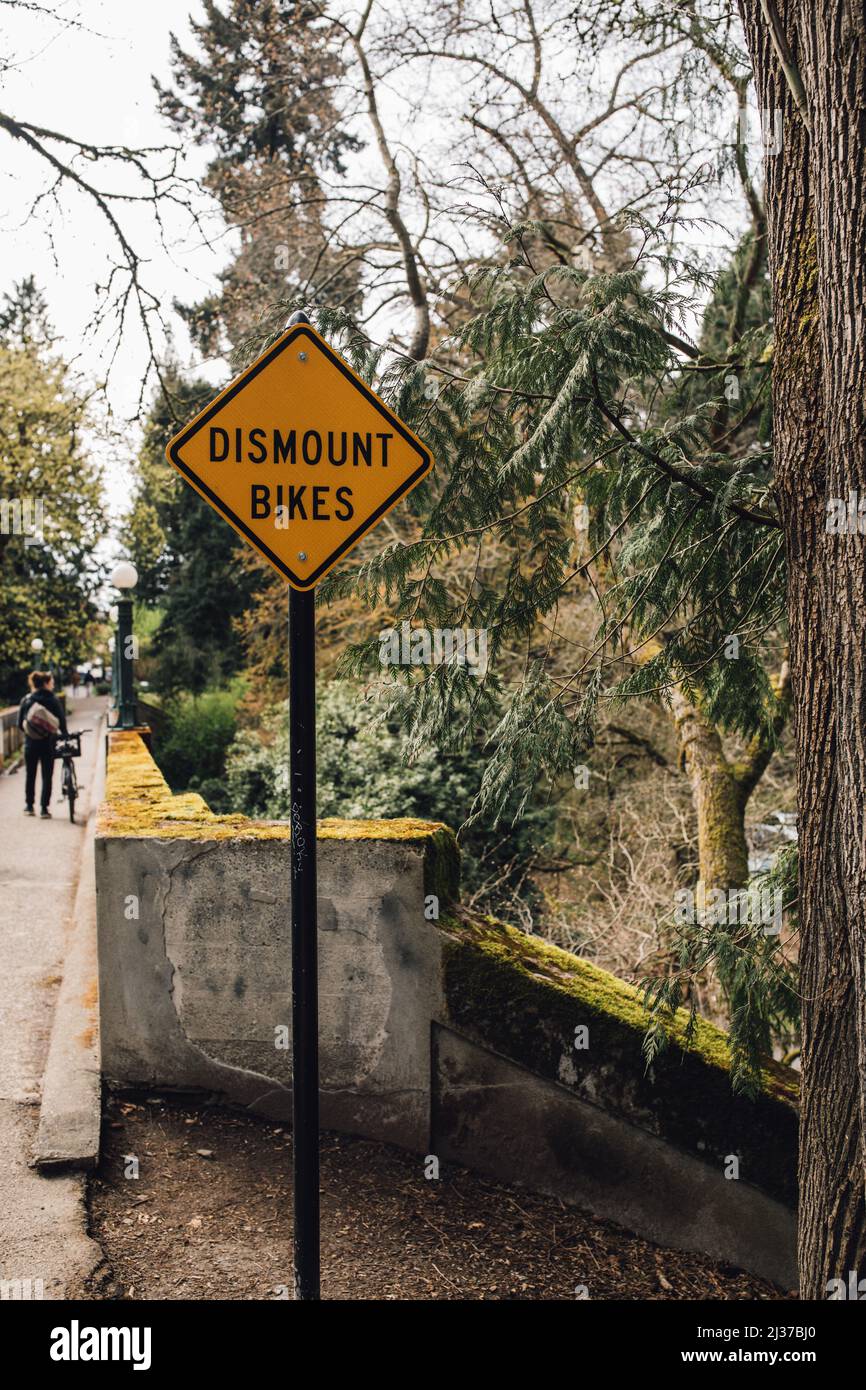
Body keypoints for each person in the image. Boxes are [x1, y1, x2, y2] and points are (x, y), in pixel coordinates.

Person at [18, 670, 68, 818]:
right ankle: (44, 809)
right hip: (48, 744)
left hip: (30, 743)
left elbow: (20, 724)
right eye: (51, 682)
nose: (52, 685)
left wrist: (33, 733)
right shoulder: (53, 700)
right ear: (45, 683)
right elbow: (62, 723)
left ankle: (29, 806)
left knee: (30, 774)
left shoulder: (27, 700)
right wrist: (64, 735)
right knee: (47, 775)